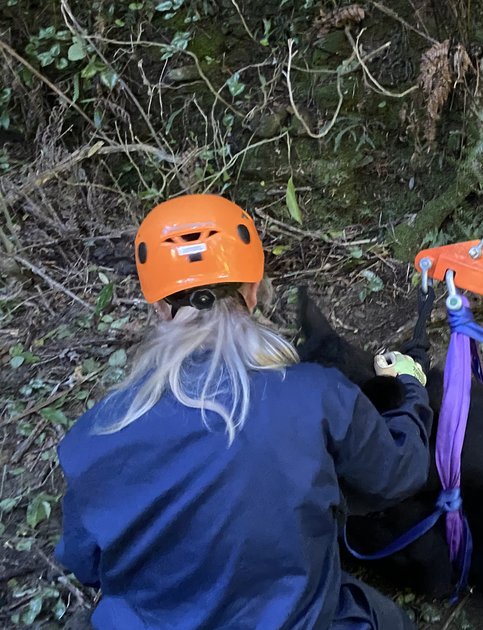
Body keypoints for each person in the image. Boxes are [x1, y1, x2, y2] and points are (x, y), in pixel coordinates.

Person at [55, 194, 433, 629]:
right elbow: (398, 472)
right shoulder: (316, 397)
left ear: (157, 306)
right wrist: (411, 390)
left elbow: (84, 562)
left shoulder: (98, 433)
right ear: (253, 289)